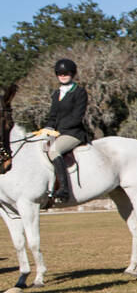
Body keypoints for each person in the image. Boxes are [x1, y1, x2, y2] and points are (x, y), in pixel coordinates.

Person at [43, 58, 90, 205]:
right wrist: (48, 128)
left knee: (54, 151)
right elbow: (52, 116)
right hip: (57, 133)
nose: (63, 75)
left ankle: (64, 189)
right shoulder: (56, 93)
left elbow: (77, 117)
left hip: (73, 133)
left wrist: (58, 131)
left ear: (72, 74)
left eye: (66, 73)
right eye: (60, 73)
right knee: (40, 148)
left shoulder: (79, 92)